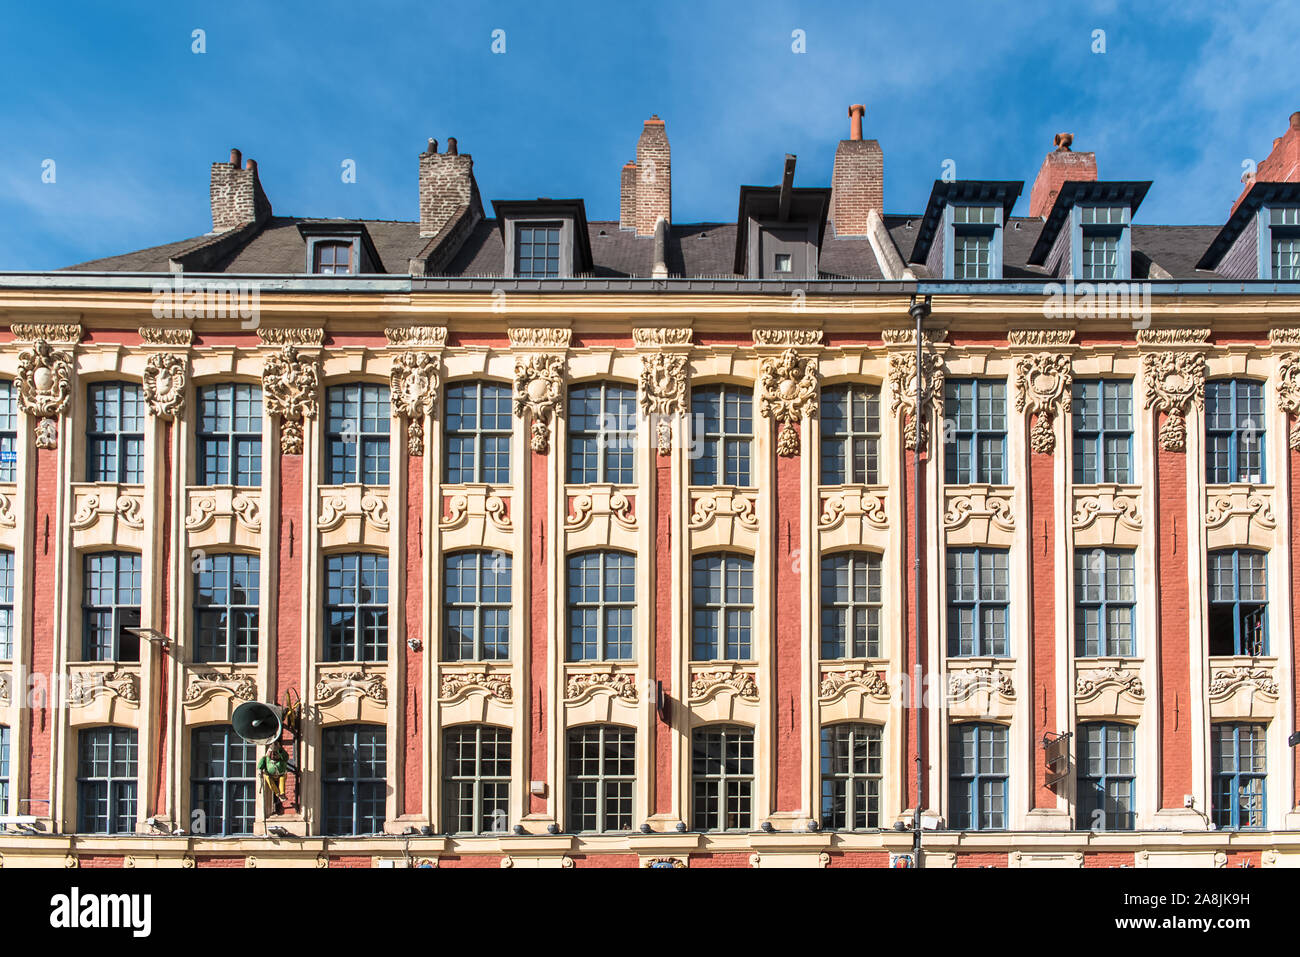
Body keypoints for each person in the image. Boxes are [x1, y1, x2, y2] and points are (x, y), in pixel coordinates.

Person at [258, 741, 290, 815]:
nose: (274, 755)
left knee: (282, 779)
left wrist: (279, 749)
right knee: (268, 779)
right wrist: (260, 770)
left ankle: (282, 793)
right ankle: (278, 793)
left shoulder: (282, 757)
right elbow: (261, 764)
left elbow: (286, 757)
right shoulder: (266, 758)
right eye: (273, 753)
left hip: (281, 774)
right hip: (270, 775)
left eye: (276, 753)